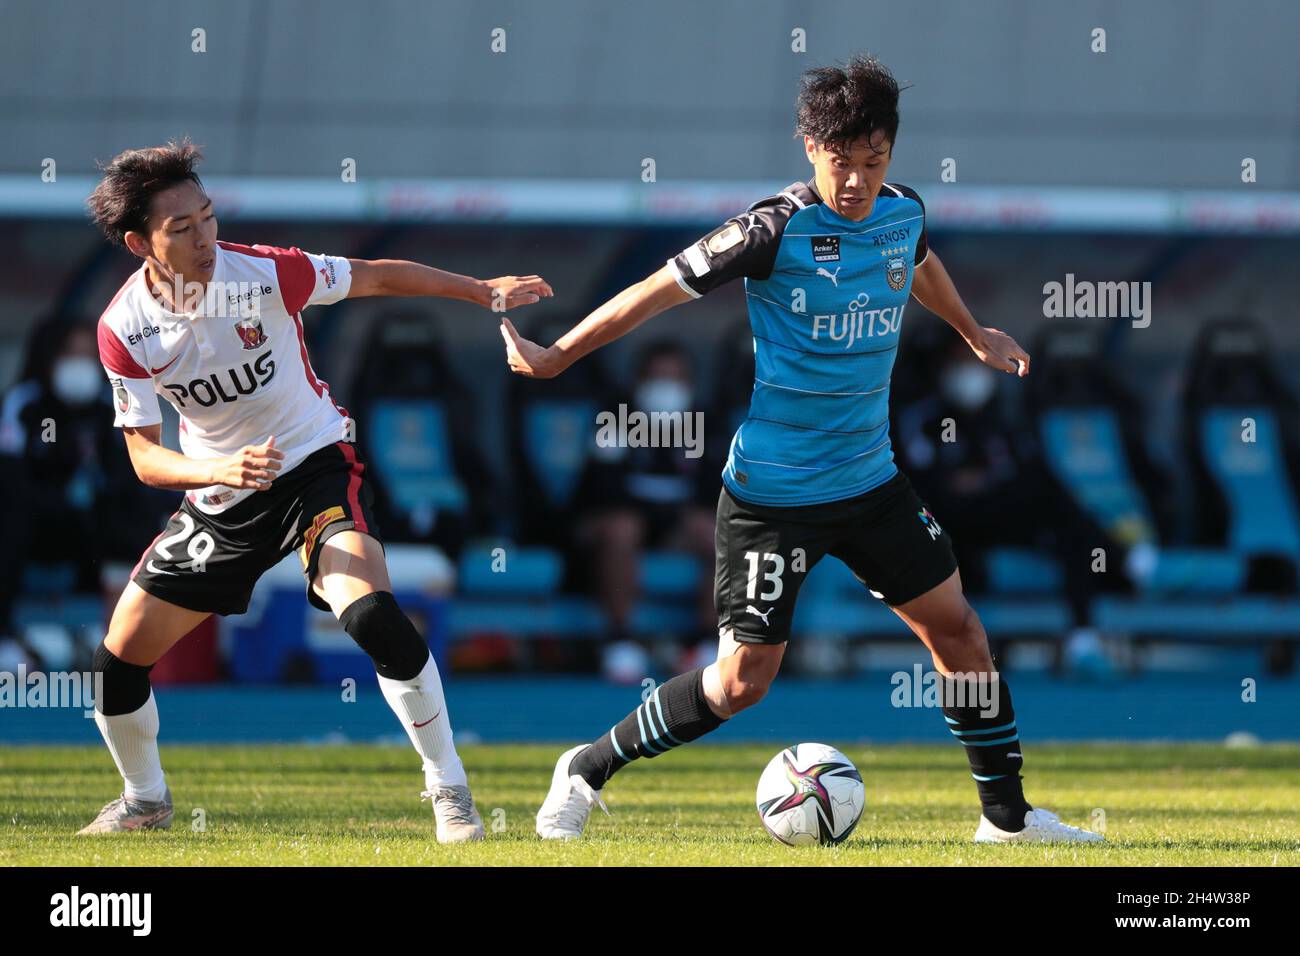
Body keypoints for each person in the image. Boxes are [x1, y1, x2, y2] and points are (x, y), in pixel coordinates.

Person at [502, 56, 1102, 844]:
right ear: (809, 147)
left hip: (871, 483)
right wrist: (560, 355)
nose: (856, 181)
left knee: (959, 633)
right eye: (841, 162)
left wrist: (972, 331)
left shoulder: (901, 213)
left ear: (891, 155)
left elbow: (920, 265)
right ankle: (586, 766)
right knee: (741, 684)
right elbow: (651, 290)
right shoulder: (767, 232)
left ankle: (1009, 821)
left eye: (873, 162)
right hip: (773, 496)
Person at [80, 139, 551, 842]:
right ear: (137, 242)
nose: (206, 236)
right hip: (224, 494)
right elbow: (146, 458)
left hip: (313, 466)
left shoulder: (266, 273)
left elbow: (379, 277)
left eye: (207, 216)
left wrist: (482, 291)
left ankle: (449, 787)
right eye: (182, 228)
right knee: (117, 663)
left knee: (368, 614)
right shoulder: (123, 329)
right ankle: (146, 800)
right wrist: (218, 471)